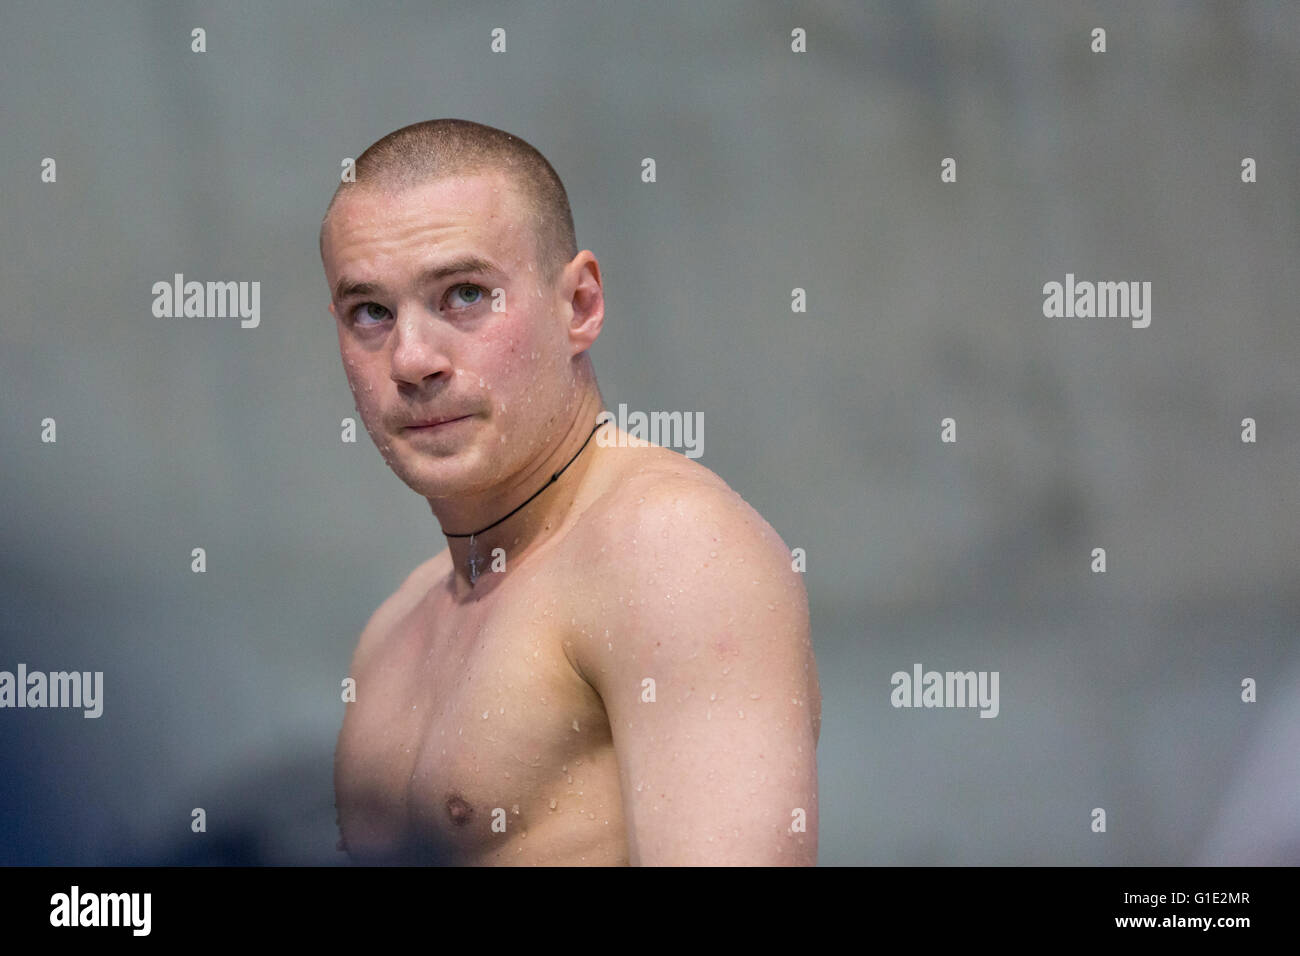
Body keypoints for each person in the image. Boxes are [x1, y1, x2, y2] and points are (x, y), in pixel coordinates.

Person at [320, 118, 820, 864]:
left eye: (463, 294)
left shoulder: (673, 550)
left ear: (579, 304)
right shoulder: (393, 629)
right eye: (372, 313)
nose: (413, 359)